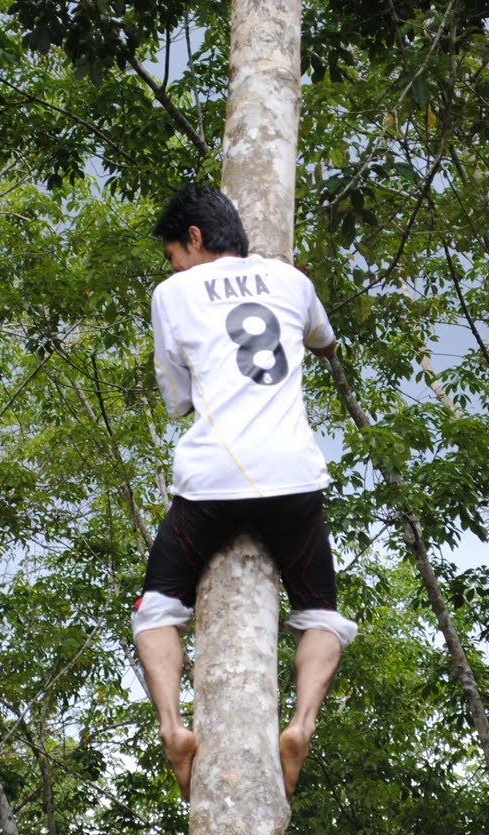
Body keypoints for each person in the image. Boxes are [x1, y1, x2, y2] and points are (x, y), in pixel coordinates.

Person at [131, 185, 358, 801]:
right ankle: (301, 723)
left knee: (157, 607)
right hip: (292, 479)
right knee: (321, 614)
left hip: (212, 483)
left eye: (174, 255)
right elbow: (324, 340)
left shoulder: (172, 295)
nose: (173, 269)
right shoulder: (291, 281)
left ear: (195, 238)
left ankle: (173, 726)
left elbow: (178, 400)